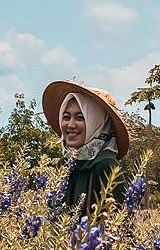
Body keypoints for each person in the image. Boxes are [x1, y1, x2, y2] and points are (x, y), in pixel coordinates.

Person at [42, 81, 130, 215]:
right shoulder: (65, 164)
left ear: (96, 122)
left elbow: (122, 226)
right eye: (66, 117)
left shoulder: (106, 166)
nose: (70, 125)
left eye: (80, 118)